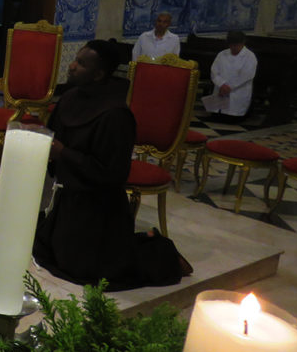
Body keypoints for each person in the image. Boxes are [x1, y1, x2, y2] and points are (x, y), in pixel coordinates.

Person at [33, 40, 190, 290]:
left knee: (83, 269)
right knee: (47, 251)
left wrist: (64, 154)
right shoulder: (70, 98)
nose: (72, 67)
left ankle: (162, 252)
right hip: (69, 199)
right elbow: (55, 139)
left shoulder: (116, 115)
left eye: (81, 64)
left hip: (99, 209)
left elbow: (113, 173)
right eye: (75, 60)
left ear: (99, 74)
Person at [204, 30, 257, 119]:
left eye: (236, 45)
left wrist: (229, 87)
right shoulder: (222, 54)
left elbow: (246, 75)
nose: (233, 47)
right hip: (220, 89)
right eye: (231, 45)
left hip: (237, 90)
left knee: (232, 116)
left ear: (243, 43)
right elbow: (214, 71)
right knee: (216, 116)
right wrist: (221, 84)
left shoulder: (250, 57)